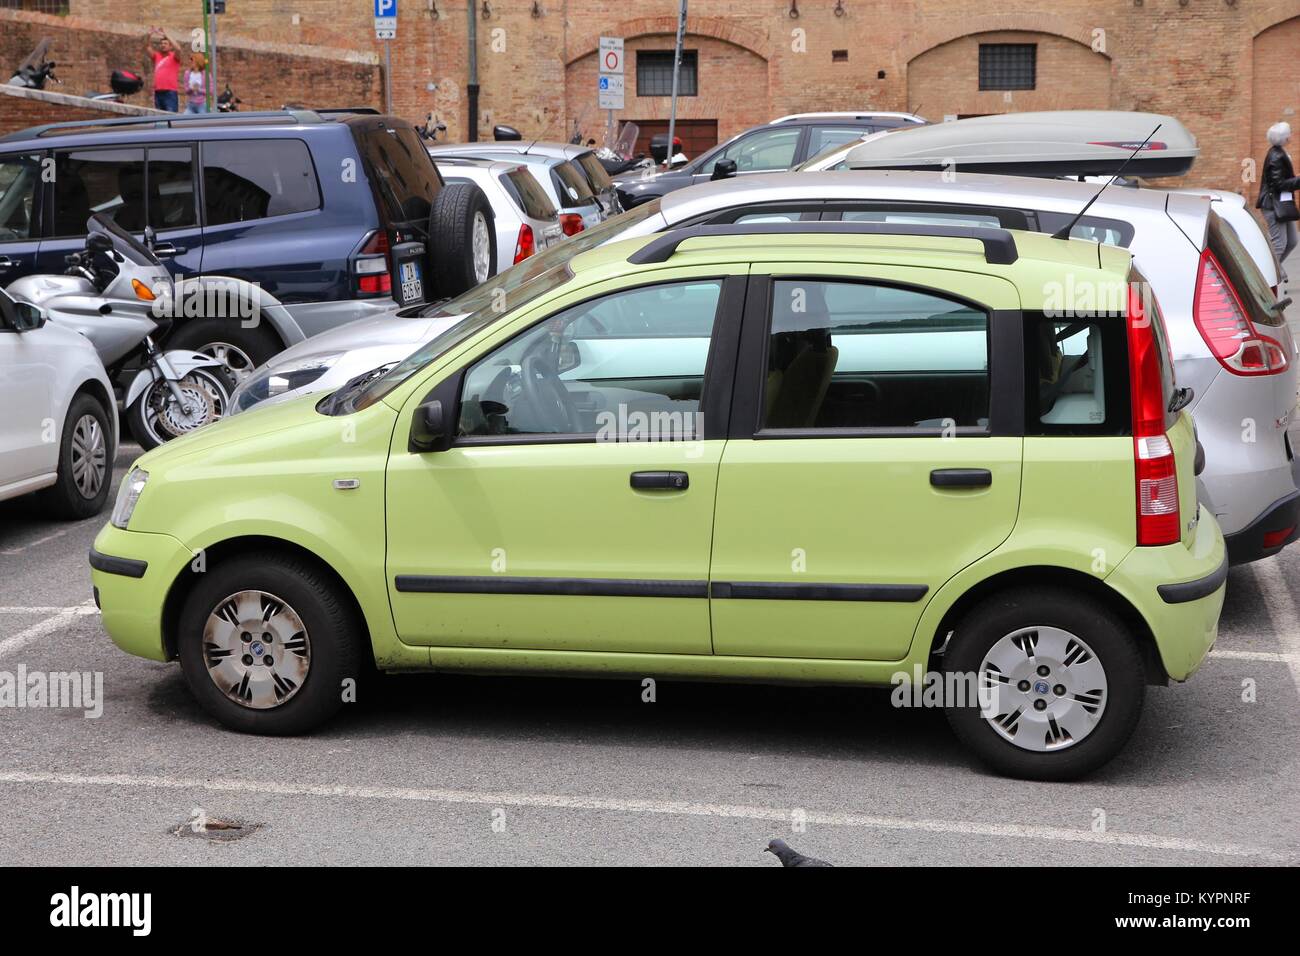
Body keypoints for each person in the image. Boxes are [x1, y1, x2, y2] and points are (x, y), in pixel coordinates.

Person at [1257, 121, 1300, 284]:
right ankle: (1265, 277)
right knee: (1280, 244)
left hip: (1282, 205)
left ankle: (1275, 268)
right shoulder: (1275, 156)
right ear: (1283, 137)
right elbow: (1278, 185)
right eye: (1289, 133)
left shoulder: (1280, 152)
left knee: (1293, 241)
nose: (1291, 135)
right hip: (1273, 206)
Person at [144, 30, 181, 112]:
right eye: (161, 44)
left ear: (170, 47)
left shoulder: (174, 57)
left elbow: (178, 48)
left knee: (171, 118)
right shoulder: (157, 56)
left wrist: (166, 35)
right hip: (158, 92)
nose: (163, 45)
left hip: (170, 92)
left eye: (165, 44)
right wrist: (149, 35)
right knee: (159, 119)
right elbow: (147, 47)